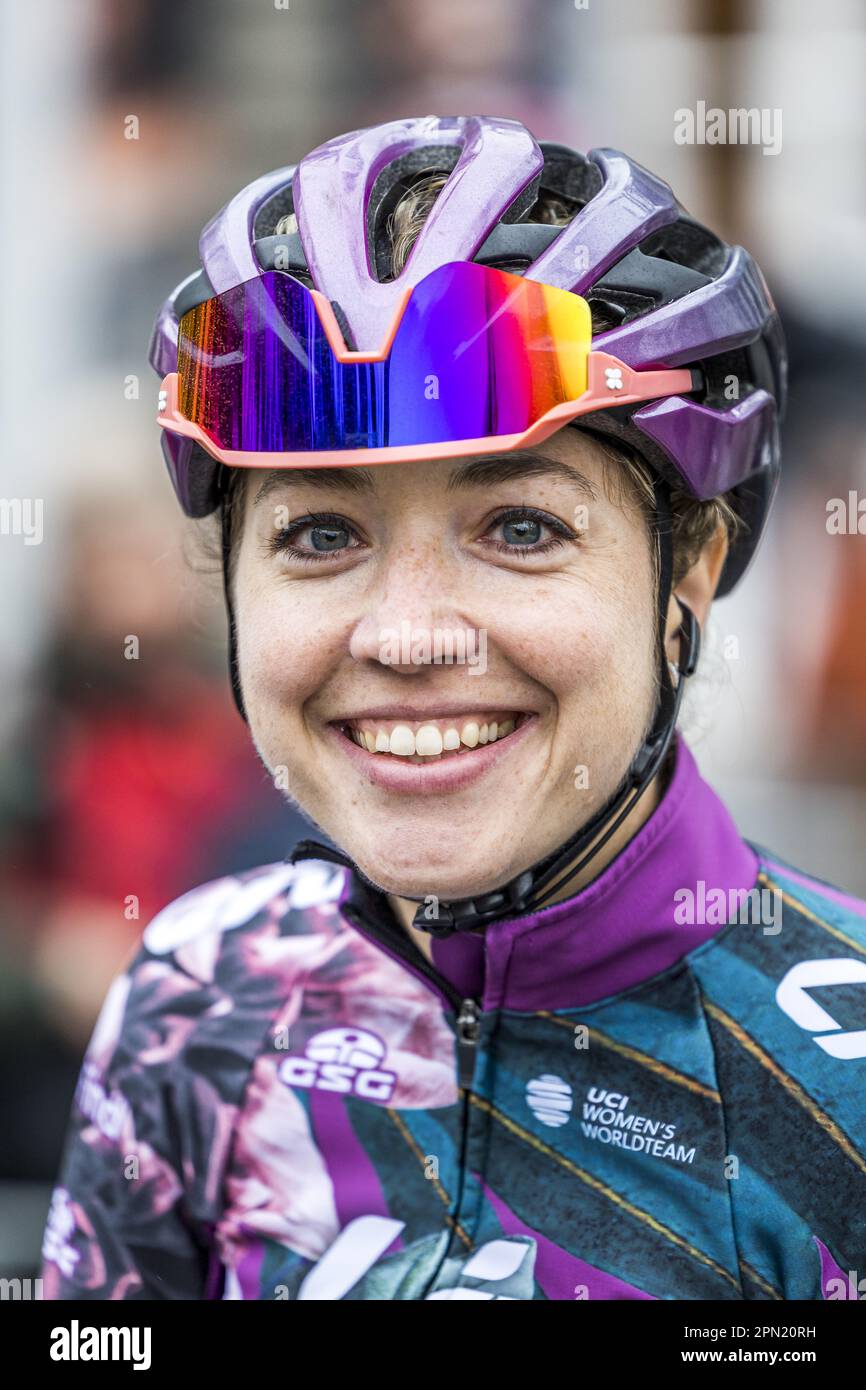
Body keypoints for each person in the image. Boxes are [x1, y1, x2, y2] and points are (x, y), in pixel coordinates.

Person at [40, 115, 866, 1302]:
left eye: (519, 528)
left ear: (687, 563)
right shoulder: (202, 995)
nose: (407, 636)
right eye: (320, 535)